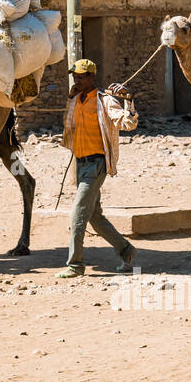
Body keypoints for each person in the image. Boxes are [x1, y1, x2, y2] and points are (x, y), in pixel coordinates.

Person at [56, 59, 139, 278]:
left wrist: (128, 101)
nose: (78, 79)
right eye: (75, 76)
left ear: (92, 77)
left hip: (96, 164)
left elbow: (127, 124)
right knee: (94, 216)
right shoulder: (75, 99)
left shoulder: (105, 101)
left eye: (82, 76)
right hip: (80, 163)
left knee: (78, 213)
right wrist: (70, 98)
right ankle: (126, 250)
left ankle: (75, 264)